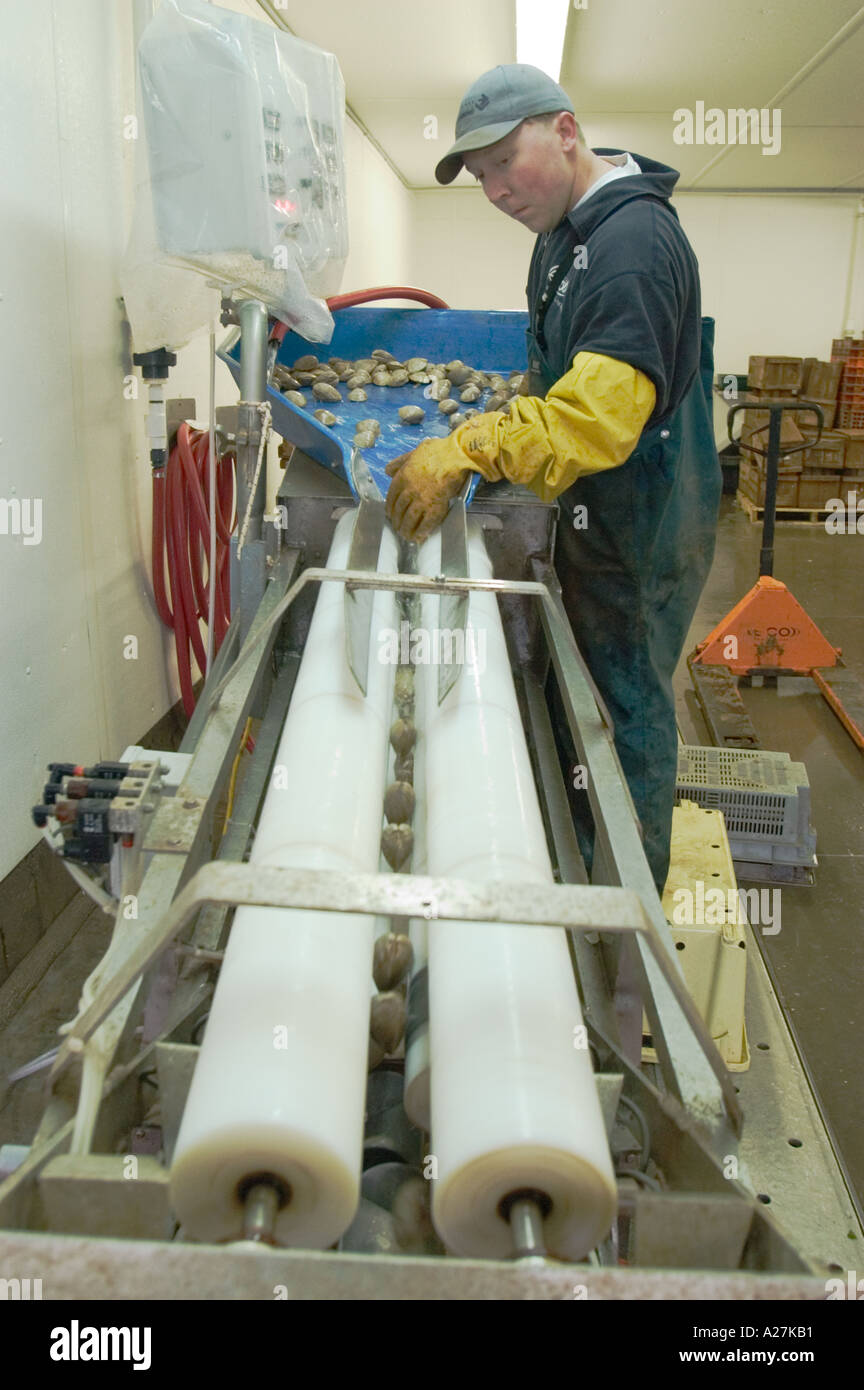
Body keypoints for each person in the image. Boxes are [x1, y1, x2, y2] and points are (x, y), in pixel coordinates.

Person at [385, 64, 721, 893]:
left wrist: (469, 447)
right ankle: (574, 845)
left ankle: (623, 913)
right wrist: (508, 417)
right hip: (598, 508)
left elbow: (595, 419)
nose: (495, 190)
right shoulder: (563, 236)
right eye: (480, 176)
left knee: (623, 712)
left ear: (566, 131)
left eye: (505, 161)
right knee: (586, 698)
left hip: (640, 520)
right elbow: (558, 375)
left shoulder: (632, 246)